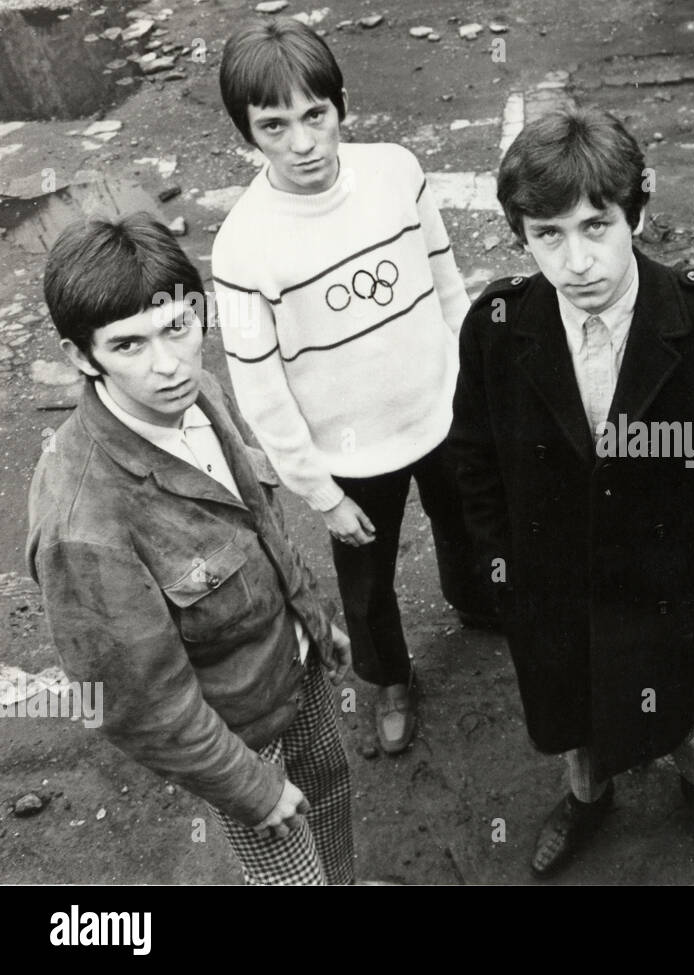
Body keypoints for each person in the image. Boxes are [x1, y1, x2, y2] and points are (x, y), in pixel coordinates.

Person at [449, 108, 694, 878]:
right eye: (549, 235)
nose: (577, 261)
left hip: (673, 589)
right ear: (521, 236)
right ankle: (586, 794)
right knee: (572, 703)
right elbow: (473, 458)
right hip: (555, 591)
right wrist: (506, 572)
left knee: (686, 698)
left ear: (639, 207)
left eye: (596, 226)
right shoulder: (497, 329)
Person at [28, 214, 355, 885]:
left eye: (178, 326)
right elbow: (136, 703)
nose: (168, 363)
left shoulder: (197, 392)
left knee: (331, 796)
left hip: (296, 666)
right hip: (235, 737)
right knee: (296, 876)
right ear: (79, 356)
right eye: (129, 345)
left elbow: (258, 520)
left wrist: (314, 618)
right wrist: (249, 788)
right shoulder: (81, 521)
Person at [212, 17, 495, 756]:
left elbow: (445, 280)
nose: (302, 143)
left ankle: (479, 602)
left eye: (316, 115)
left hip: (442, 412)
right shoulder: (243, 246)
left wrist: (472, 384)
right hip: (351, 456)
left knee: (468, 525)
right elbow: (261, 390)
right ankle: (388, 678)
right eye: (274, 125)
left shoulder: (398, 172)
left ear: (341, 106)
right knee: (367, 587)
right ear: (247, 132)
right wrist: (322, 493)